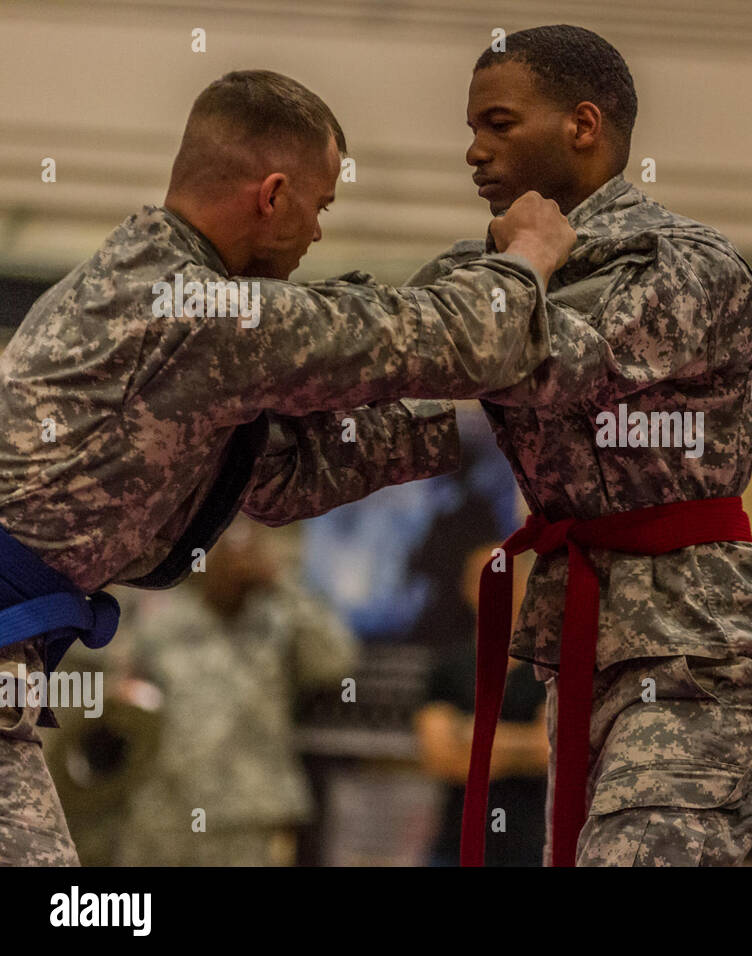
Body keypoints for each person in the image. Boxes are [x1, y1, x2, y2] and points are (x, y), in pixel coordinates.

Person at [0, 68, 575, 865]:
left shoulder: (163, 312)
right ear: (273, 195)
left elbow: (283, 474)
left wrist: (498, 430)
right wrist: (530, 260)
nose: (316, 236)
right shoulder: (194, 310)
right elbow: (454, 339)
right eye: (322, 205)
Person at [409, 25, 752, 866]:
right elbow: (402, 391)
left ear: (583, 126)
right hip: (584, 640)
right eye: (471, 127)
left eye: (499, 124)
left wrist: (503, 278)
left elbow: (551, 364)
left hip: (695, 644)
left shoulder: (688, 266)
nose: (473, 151)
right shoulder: (502, 274)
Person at [110, 515, 356, 866]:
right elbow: (109, 685)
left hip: (248, 816)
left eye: (241, 549)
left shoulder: (278, 617)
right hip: (160, 810)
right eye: (219, 548)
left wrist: (280, 582)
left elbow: (337, 661)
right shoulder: (158, 612)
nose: (231, 561)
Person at [416, 543, 548, 866]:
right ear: (466, 586)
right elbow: (438, 757)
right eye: (482, 576)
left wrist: (467, 736)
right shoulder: (446, 669)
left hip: (534, 848)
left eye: (504, 574)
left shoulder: (550, 669)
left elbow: (550, 751)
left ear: (526, 583)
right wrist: (521, 744)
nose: (492, 585)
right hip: (455, 847)